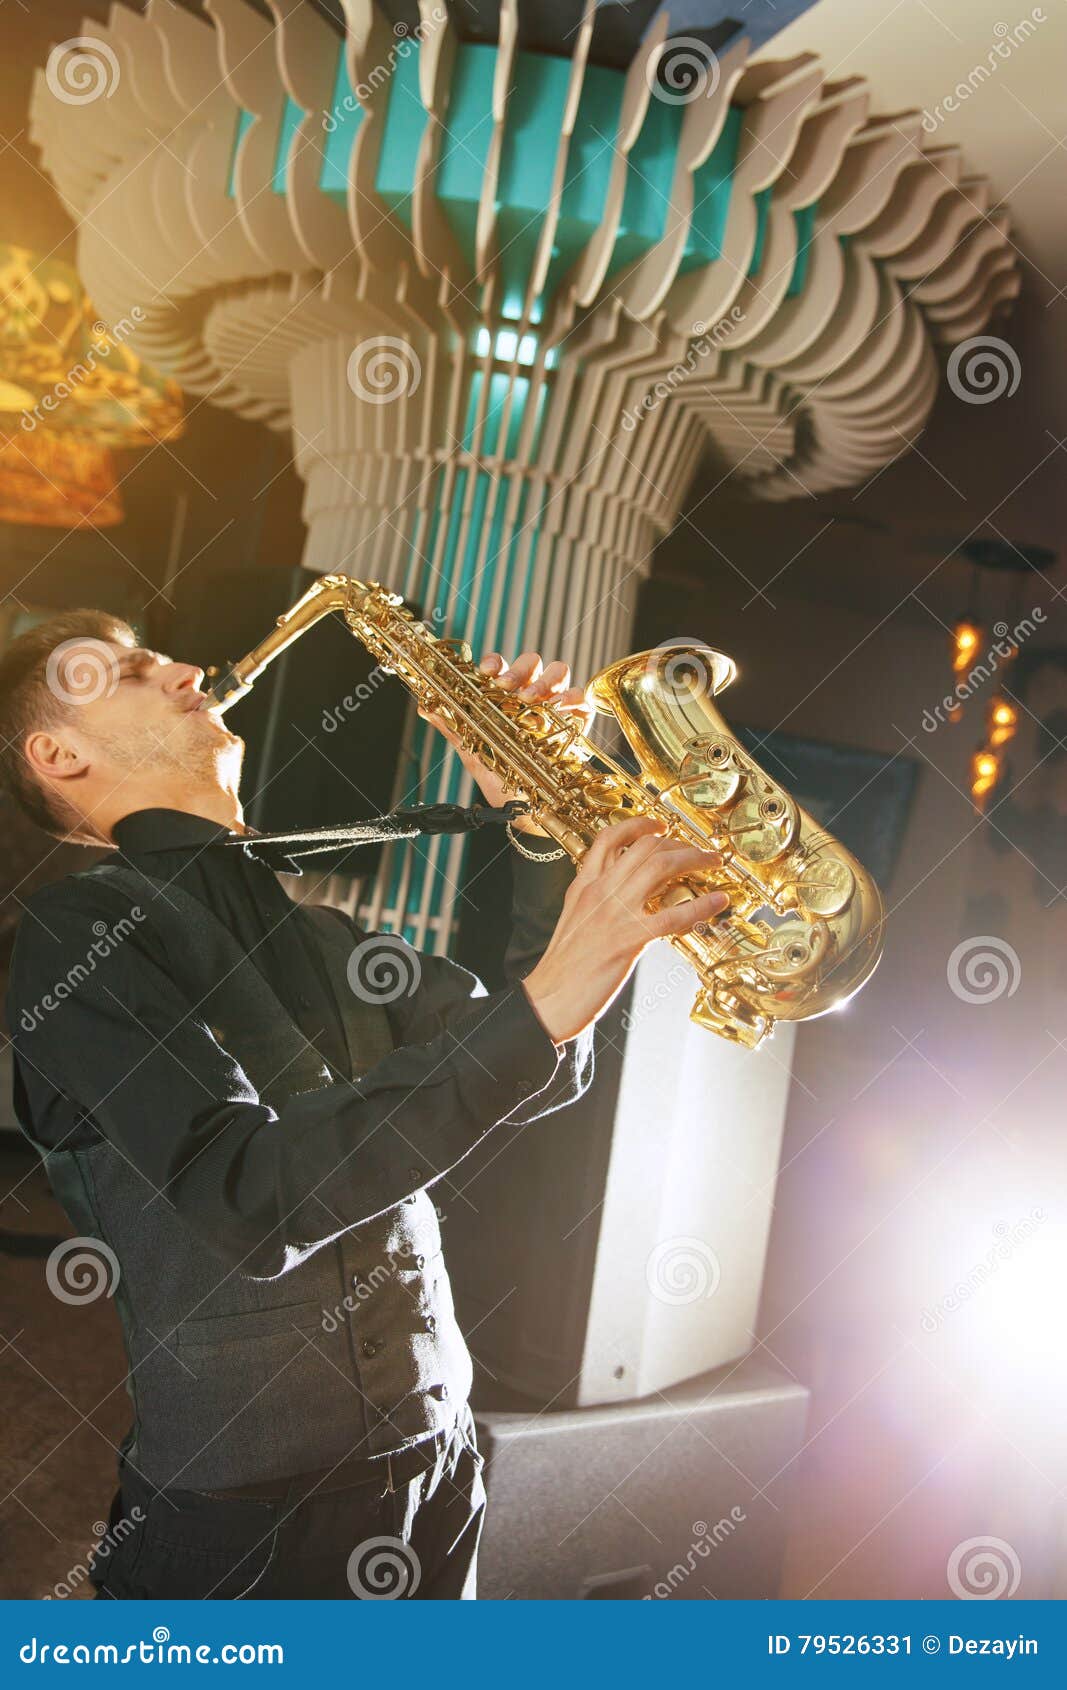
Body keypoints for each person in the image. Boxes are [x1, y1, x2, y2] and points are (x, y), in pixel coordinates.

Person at [0, 609, 726, 1600]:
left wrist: (536, 828)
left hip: (441, 1464)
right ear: (58, 753)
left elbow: (540, 1065)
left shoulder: (328, 938)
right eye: (129, 669)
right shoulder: (76, 932)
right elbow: (244, 1194)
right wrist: (550, 993)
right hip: (246, 1529)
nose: (182, 666)